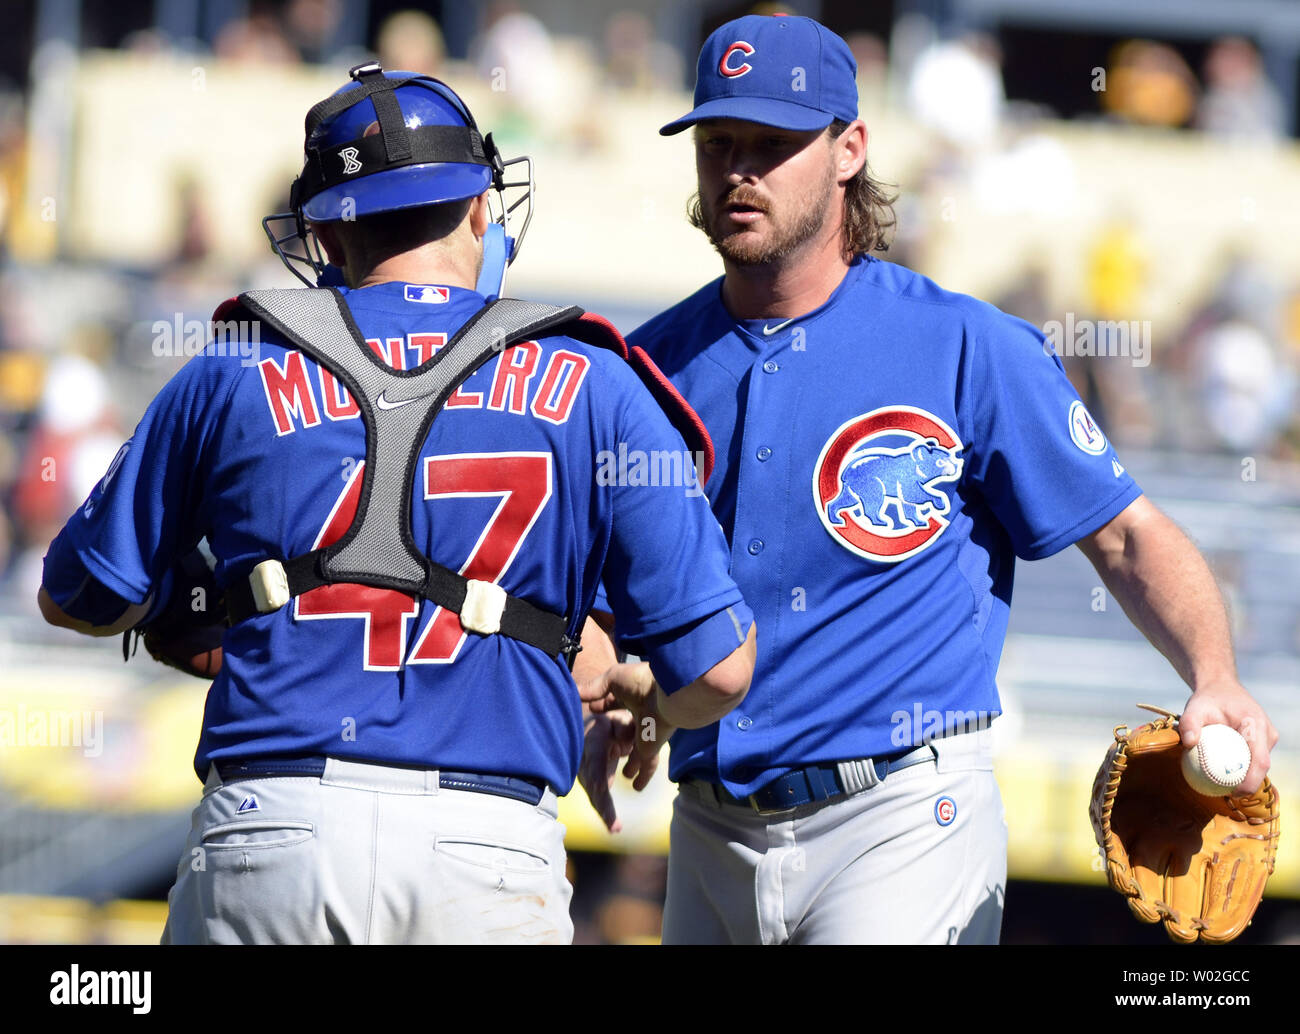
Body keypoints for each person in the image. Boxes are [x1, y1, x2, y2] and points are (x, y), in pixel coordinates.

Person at [582, 14, 1278, 945]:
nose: (740, 169)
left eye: (773, 142)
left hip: (901, 823)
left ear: (848, 150)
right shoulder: (649, 365)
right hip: (708, 828)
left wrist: (1214, 674)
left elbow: (1124, 534)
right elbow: (592, 590)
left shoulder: (962, 345)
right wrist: (599, 688)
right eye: (719, 143)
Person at [37, 64, 754, 945]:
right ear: (482, 209)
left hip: (273, 827)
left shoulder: (232, 362)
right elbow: (720, 671)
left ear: (327, 239)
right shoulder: (597, 378)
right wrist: (640, 692)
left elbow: (76, 596)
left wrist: (207, 599)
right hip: (482, 846)